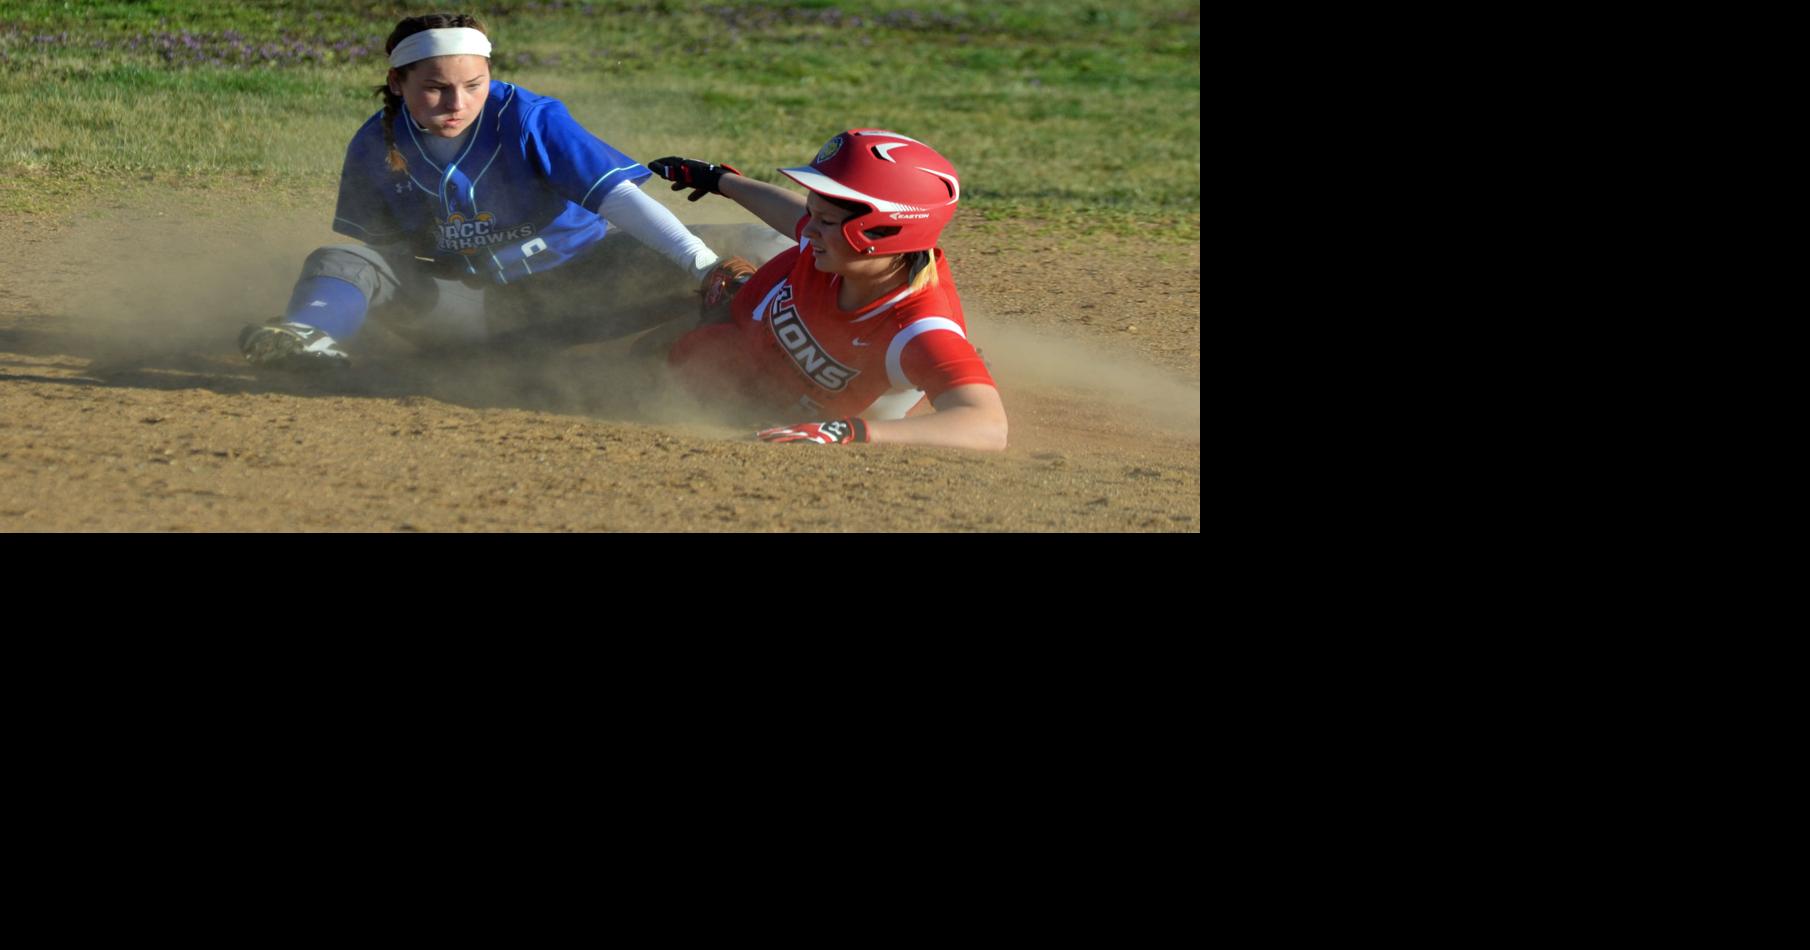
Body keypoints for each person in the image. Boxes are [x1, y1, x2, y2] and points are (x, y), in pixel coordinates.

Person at [239, 12, 756, 368]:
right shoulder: (375, 144)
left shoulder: (528, 118)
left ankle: (765, 350)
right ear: (397, 83)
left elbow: (618, 198)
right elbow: (386, 258)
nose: (456, 103)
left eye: (473, 85)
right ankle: (306, 338)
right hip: (470, 312)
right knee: (340, 260)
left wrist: (702, 265)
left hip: (584, 282)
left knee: (749, 246)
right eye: (435, 88)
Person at [645, 129, 1008, 451]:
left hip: (770, 398)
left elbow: (987, 426)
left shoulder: (917, 329)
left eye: (826, 221)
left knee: (676, 369)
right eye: (813, 213)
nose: (809, 229)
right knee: (676, 355)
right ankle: (737, 288)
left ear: (882, 232)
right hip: (741, 336)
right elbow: (793, 214)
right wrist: (720, 180)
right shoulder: (843, 251)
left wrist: (846, 431)